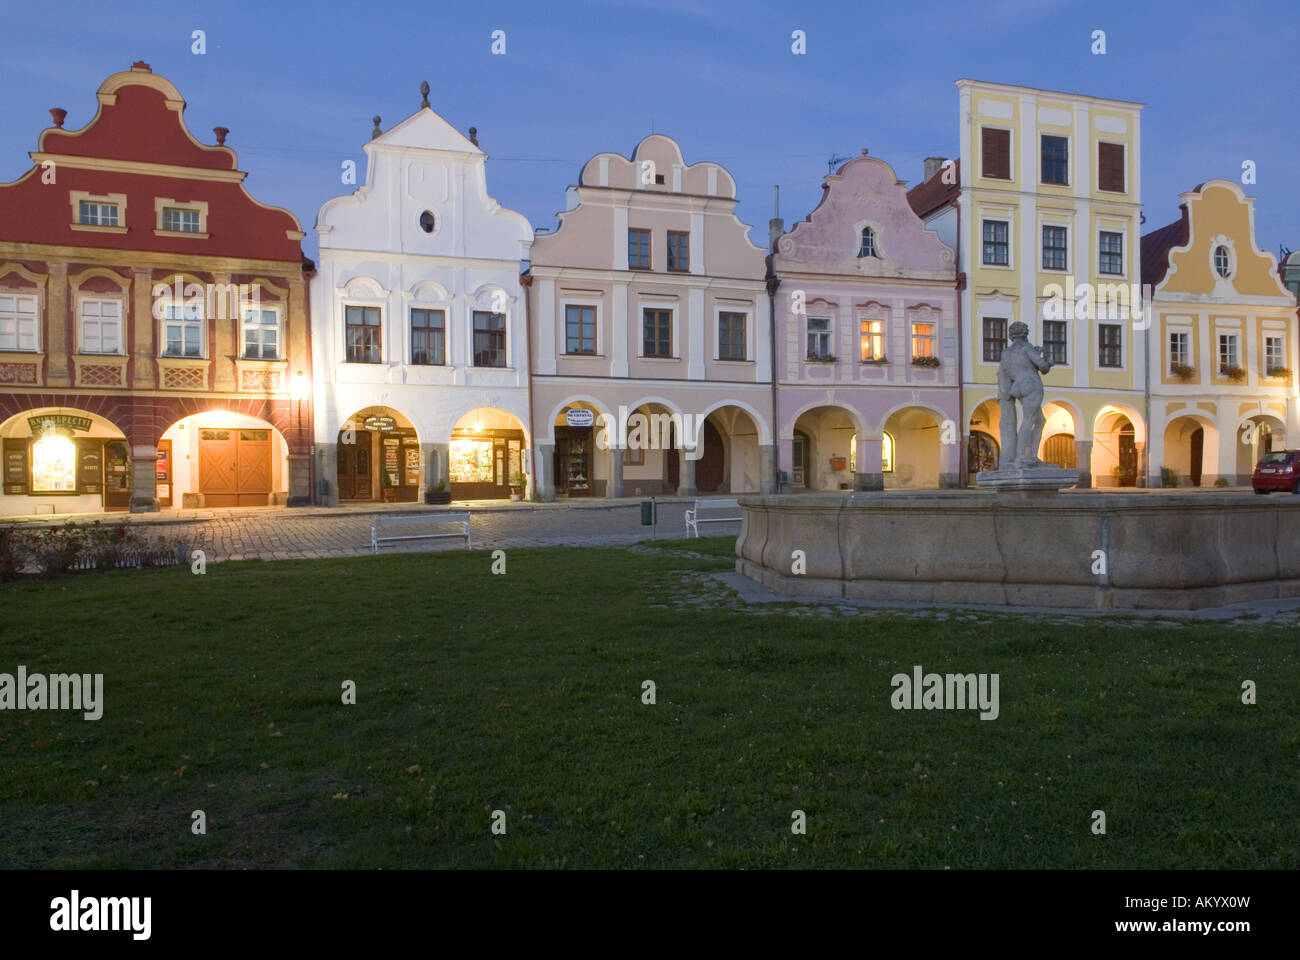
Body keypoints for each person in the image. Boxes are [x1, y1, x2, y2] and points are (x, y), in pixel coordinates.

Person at [996, 321, 1054, 469]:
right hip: (1031, 383)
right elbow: (1043, 367)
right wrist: (1047, 358)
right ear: (1025, 334)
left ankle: (1032, 456)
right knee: (1029, 420)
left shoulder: (1006, 352)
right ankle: (1021, 456)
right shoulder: (1026, 348)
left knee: (1040, 421)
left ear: (1011, 335)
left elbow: (1005, 372)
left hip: (1017, 385)